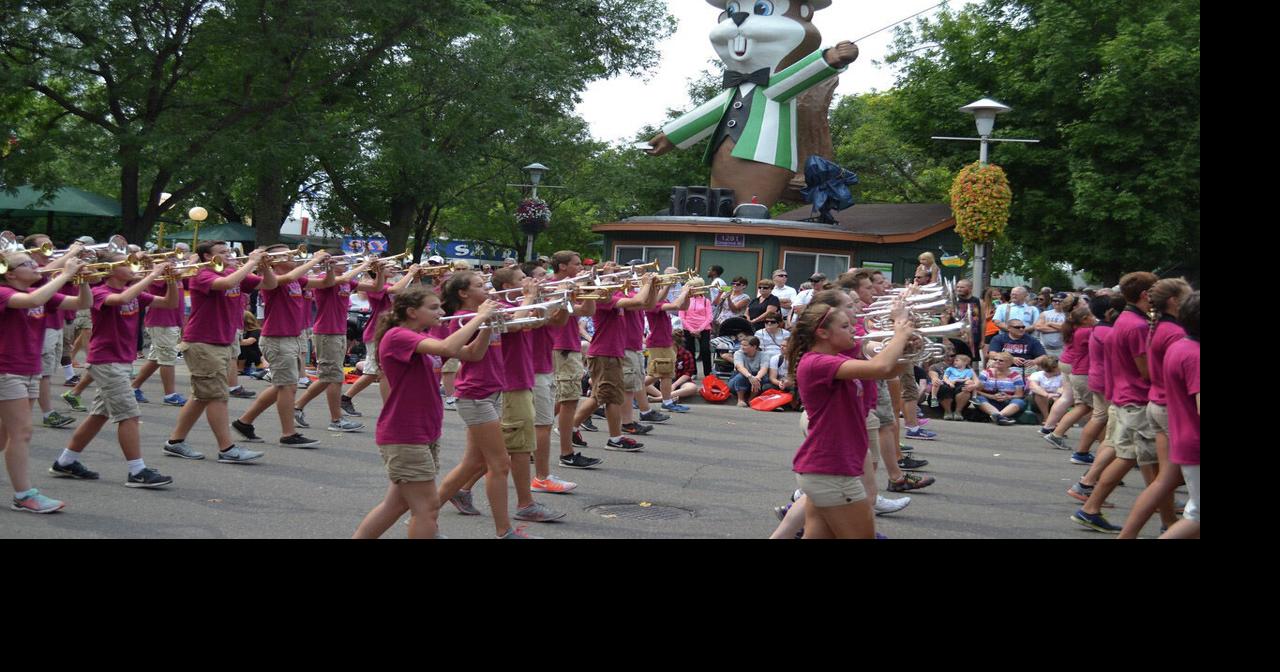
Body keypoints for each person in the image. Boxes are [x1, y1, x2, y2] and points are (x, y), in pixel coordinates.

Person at [352, 286, 498, 539]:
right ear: (411, 312)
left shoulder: (421, 336)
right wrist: (480, 317)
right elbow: (449, 350)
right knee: (427, 508)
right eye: (433, 308)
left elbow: (473, 354)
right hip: (406, 432)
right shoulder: (399, 336)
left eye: (440, 307)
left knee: (397, 504)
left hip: (423, 430)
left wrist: (488, 327)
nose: (441, 312)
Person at [788, 298, 916, 539]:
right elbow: (880, 367)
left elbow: (889, 370)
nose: (853, 331)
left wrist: (907, 347)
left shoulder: (837, 359)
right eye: (845, 327)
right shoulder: (818, 363)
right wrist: (899, 329)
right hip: (830, 470)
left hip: (831, 469)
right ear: (823, 333)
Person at [50, 256, 180, 487]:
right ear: (109, 270)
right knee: (129, 415)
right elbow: (121, 299)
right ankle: (137, 471)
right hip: (107, 360)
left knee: (99, 415)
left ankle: (66, 461)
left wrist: (171, 280)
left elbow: (169, 304)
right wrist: (151, 275)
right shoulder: (100, 291)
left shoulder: (135, 291)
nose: (132, 268)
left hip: (122, 359)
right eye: (125, 264)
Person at [431, 271, 531, 538]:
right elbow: (473, 354)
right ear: (464, 294)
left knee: (473, 464)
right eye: (479, 286)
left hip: (490, 393)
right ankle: (504, 530)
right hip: (475, 395)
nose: (487, 289)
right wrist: (486, 320)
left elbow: (523, 324)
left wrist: (494, 319)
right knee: (499, 465)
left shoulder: (484, 315)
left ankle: (424, 517)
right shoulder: (464, 319)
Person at [1071, 272, 1169, 533]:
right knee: (1141, 458)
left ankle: (1091, 507)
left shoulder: (1125, 319)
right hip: (1136, 397)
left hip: (1125, 396)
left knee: (1128, 455)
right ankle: (1167, 519)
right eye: (1156, 290)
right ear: (1146, 295)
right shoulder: (1136, 325)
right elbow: (1146, 371)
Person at [162, 242, 268, 463]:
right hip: (204, 342)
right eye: (222, 252)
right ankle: (226, 449)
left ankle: (175, 442)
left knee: (202, 396)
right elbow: (227, 283)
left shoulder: (232, 270)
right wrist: (251, 262)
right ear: (206, 256)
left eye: (228, 251)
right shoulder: (201, 274)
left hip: (222, 340)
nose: (228, 255)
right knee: (218, 396)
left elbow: (270, 284)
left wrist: (264, 266)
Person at [2, 251, 89, 512]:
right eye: (26, 264)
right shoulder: (5, 292)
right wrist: (66, 273)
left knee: (5, 434)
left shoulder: (42, 292)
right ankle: (23, 495)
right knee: (22, 432)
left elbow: (81, 304)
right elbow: (32, 300)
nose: (34, 266)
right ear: (10, 273)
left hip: (29, 368)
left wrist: (83, 280)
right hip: (7, 369)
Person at [230, 246, 332, 446]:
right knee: (287, 386)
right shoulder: (273, 278)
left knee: (281, 385)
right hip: (277, 337)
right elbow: (283, 279)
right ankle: (288, 434)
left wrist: (327, 267)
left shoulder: (297, 279)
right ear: (274, 261)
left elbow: (326, 283)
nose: (292, 256)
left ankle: (244, 422)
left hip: (291, 336)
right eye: (286, 254)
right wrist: (314, 260)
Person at [1117, 278, 1193, 539]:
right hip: (1172, 408)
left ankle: (1132, 534)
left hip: (1158, 403)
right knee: (1172, 482)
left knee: (1165, 480)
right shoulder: (1176, 334)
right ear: (1174, 300)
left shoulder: (1161, 327)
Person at [293, 255, 376, 433]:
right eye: (342, 260)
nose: (346, 262)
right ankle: (336, 419)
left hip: (339, 331)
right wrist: (366, 264)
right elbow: (343, 278)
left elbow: (375, 287)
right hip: (326, 331)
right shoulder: (325, 278)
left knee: (329, 376)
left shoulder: (346, 281)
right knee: (333, 377)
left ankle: (298, 406)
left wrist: (379, 271)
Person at [340, 261, 421, 415]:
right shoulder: (374, 286)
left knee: (372, 372)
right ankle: (389, 409)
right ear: (378, 270)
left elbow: (417, 296)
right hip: (377, 332)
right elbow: (395, 289)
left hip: (391, 332)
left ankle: (346, 398)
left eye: (394, 266)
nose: (394, 268)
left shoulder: (395, 283)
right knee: (382, 371)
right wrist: (410, 273)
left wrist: (416, 279)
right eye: (389, 266)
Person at [547, 250, 603, 469]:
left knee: (563, 399)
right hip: (561, 347)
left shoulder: (573, 286)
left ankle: (538, 439)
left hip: (569, 346)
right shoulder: (553, 286)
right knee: (569, 400)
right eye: (577, 264)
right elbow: (560, 313)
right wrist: (569, 291)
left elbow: (585, 310)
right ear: (562, 266)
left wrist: (590, 287)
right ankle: (567, 454)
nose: (581, 268)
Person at [1158, 291, 1199, 540]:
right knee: (1196, 516)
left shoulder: (1181, 346)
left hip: (1185, 436)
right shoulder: (1195, 354)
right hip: (1195, 440)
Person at [129, 260, 189, 406]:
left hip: (171, 321)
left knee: (156, 359)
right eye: (166, 264)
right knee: (168, 359)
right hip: (162, 322)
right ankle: (170, 395)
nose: (172, 266)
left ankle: (133, 388)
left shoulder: (173, 275)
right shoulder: (157, 279)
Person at [647, 277, 693, 414]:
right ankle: (630, 390)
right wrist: (684, 291)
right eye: (658, 288)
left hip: (666, 342)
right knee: (658, 373)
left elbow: (684, 307)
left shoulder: (662, 301)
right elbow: (676, 306)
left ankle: (667, 402)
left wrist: (688, 295)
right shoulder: (651, 303)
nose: (661, 289)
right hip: (658, 342)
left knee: (666, 374)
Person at [967, 352, 1026, 426]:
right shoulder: (986, 373)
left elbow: (1019, 395)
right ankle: (1000, 417)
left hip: (1007, 402)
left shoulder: (1016, 376)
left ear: (1009, 364)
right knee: (978, 399)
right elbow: (977, 391)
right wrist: (991, 396)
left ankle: (998, 416)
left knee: (1019, 401)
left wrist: (1008, 397)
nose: (997, 361)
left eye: (1001, 360)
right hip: (988, 401)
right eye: (995, 359)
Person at [649, 330, 700, 404]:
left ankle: (659, 398)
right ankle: (666, 398)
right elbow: (653, 371)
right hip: (661, 380)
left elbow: (688, 373)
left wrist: (674, 385)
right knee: (642, 382)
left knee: (692, 388)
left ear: (673, 342)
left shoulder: (686, 353)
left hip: (679, 381)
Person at [678, 278, 715, 378]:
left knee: (705, 350)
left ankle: (708, 373)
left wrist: (699, 329)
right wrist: (691, 329)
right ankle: (693, 372)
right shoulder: (685, 300)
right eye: (690, 286)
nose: (692, 289)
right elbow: (681, 316)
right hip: (688, 327)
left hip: (704, 328)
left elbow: (709, 317)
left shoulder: (706, 301)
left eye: (694, 286)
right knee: (690, 350)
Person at [984, 318, 1049, 372]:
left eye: (1023, 327)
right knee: (991, 363)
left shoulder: (1032, 340)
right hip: (1004, 365)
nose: (1021, 329)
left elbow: (1043, 356)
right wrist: (1011, 359)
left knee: (1039, 367)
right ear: (1009, 328)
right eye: (1017, 327)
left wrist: (1034, 361)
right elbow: (992, 354)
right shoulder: (999, 338)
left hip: (1026, 367)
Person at [729, 337, 773, 407]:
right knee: (741, 376)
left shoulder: (764, 355)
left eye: (745, 345)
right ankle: (740, 399)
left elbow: (764, 369)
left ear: (754, 346)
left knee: (763, 378)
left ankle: (751, 399)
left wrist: (757, 378)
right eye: (742, 345)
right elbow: (740, 367)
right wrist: (750, 376)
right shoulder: (738, 353)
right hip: (737, 381)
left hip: (756, 378)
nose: (742, 347)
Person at [1026, 356, 1064, 424]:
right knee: (1040, 394)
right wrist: (1047, 394)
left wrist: (1058, 394)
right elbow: (1033, 387)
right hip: (1037, 399)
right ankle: (1047, 418)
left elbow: (1063, 388)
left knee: (1059, 398)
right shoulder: (1037, 375)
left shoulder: (1063, 376)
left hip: (1056, 397)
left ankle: (1055, 419)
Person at [938, 353, 975, 421]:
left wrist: (956, 380)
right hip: (949, 383)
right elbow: (945, 377)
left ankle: (958, 412)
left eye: (957, 360)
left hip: (960, 383)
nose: (954, 362)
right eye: (954, 360)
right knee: (943, 388)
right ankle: (948, 411)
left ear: (965, 362)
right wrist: (949, 383)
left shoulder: (968, 371)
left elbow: (967, 379)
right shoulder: (950, 369)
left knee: (966, 388)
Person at [1034, 292, 1068, 357]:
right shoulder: (1045, 313)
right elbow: (1038, 327)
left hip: (1062, 349)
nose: (1057, 303)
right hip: (1045, 349)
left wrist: (1050, 323)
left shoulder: (1068, 315)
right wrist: (1060, 328)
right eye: (1055, 301)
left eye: (1060, 301)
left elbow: (1068, 328)